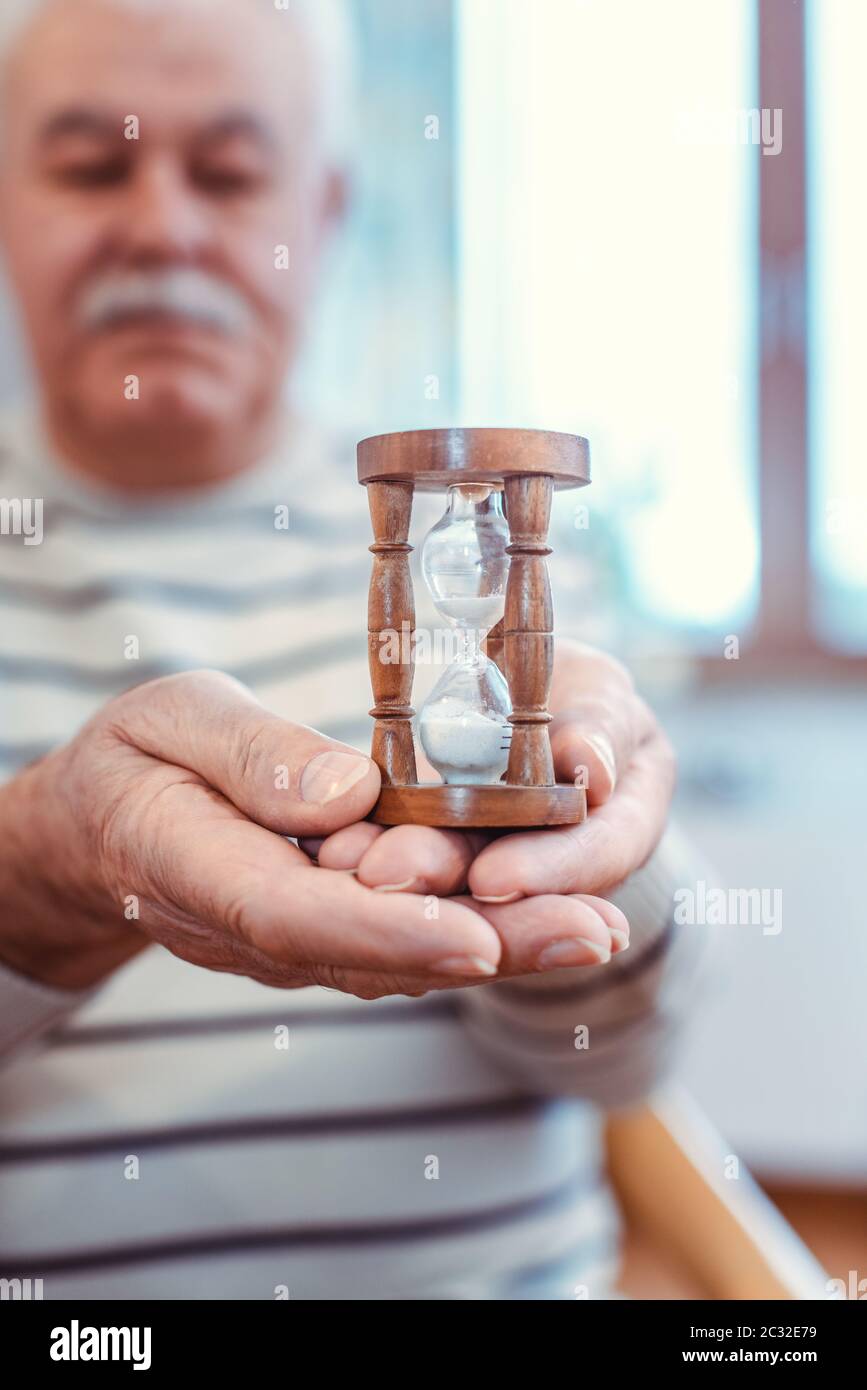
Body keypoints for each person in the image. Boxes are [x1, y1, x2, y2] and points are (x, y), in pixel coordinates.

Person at [0, 0, 701, 1300]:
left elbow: (621, 1064)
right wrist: (37, 881)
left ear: (322, 210)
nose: (161, 224)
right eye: (93, 164)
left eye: (229, 170)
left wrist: (602, 858)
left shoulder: (481, 552)